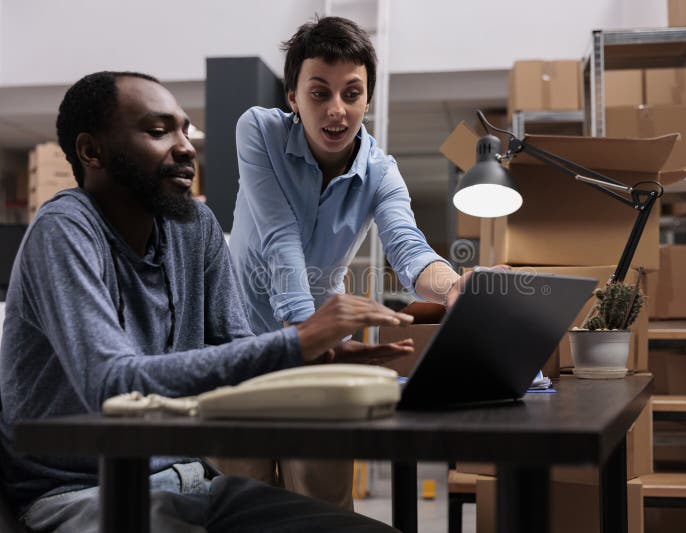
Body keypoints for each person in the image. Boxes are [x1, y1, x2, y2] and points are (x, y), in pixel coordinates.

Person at [0, 70, 412, 532]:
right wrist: (298, 341)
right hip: (85, 494)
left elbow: (236, 351)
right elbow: (113, 385)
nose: (185, 146)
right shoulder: (64, 230)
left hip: (197, 483)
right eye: (158, 132)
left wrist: (318, 358)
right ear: (91, 151)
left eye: (184, 130)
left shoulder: (194, 225)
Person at [228, 16, 469, 509]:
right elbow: (280, 239)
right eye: (320, 93)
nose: (337, 110)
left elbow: (408, 249)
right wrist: (307, 337)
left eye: (351, 93)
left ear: (367, 99)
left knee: (322, 504)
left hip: (318, 350)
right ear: (293, 97)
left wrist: (453, 289)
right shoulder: (258, 131)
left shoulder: (381, 172)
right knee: (242, 505)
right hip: (238, 344)